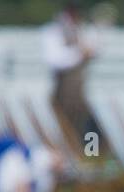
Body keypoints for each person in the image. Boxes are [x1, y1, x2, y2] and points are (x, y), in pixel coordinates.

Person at [42, 1, 95, 145]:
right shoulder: (53, 31)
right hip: (63, 88)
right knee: (67, 123)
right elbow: (55, 60)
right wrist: (79, 53)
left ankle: (91, 153)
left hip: (81, 89)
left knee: (88, 124)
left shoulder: (82, 29)